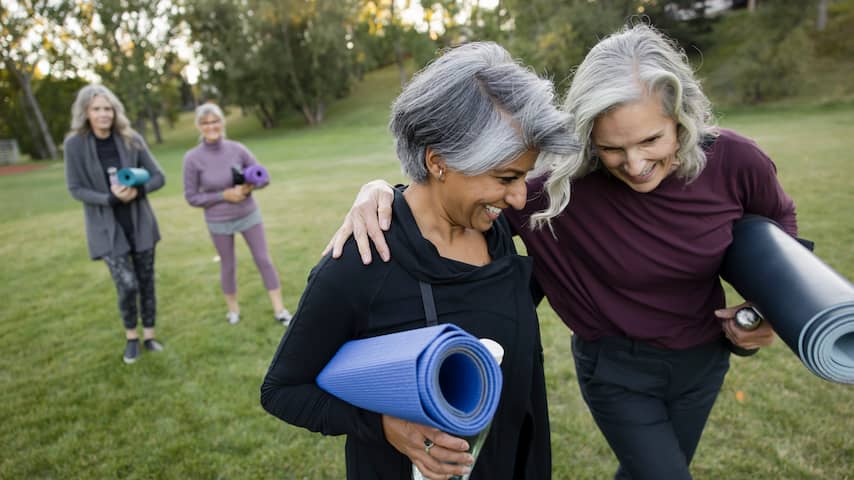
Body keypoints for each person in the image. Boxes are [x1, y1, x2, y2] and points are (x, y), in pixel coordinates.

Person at [325, 24, 799, 480]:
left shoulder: (736, 162)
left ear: (682, 118)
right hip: (617, 372)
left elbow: (779, 228)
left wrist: (767, 308)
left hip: (705, 361)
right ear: (588, 135)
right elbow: (452, 203)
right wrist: (382, 191)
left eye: (651, 140)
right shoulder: (555, 193)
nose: (634, 165)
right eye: (612, 147)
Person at [261, 42, 578, 479]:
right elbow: (282, 390)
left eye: (524, 175)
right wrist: (382, 425)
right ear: (438, 161)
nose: (521, 197)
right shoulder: (363, 262)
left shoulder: (500, 233)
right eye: (506, 178)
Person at [64, 84, 167, 365]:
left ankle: (149, 336)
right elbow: (75, 188)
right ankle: (131, 337)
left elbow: (158, 176)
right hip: (106, 229)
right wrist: (109, 199)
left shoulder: (130, 138)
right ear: (86, 112)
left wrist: (138, 191)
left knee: (146, 282)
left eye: (107, 108)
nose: (103, 114)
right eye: (97, 109)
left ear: (115, 111)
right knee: (127, 284)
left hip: (140, 224)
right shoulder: (74, 145)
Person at [182, 103, 293, 326]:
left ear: (222, 123)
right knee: (228, 264)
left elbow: (264, 177)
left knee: (263, 259)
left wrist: (250, 187)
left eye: (215, 121)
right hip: (218, 221)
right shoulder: (192, 158)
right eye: (205, 123)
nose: (211, 126)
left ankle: (280, 310)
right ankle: (233, 311)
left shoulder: (237, 149)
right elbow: (192, 197)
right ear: (199, 126)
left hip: (248, 214)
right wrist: (224, 195)